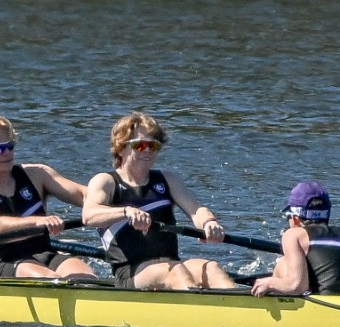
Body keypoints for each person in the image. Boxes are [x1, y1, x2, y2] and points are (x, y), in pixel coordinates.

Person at [80, 111, 236, 290]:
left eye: (153, 146)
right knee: (175, 271)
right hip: (132, 272)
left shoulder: (168, 180)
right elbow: (88, 215)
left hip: (170, 264)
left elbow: (196, 209)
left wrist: (209, 222)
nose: (147, 150)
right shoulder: (106, 181)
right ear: (121, 148)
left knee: (212, 269)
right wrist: (126, 211)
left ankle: (242, 313)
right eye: (140, 145)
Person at [0, 114, 96, 279]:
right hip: (2, 260)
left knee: (85, 277)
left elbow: (83, 195)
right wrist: (37, 221)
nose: (6, 153)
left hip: (42, 250)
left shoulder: (37, 174)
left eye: (10, 146)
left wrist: (117, 206)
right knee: (48, 278)